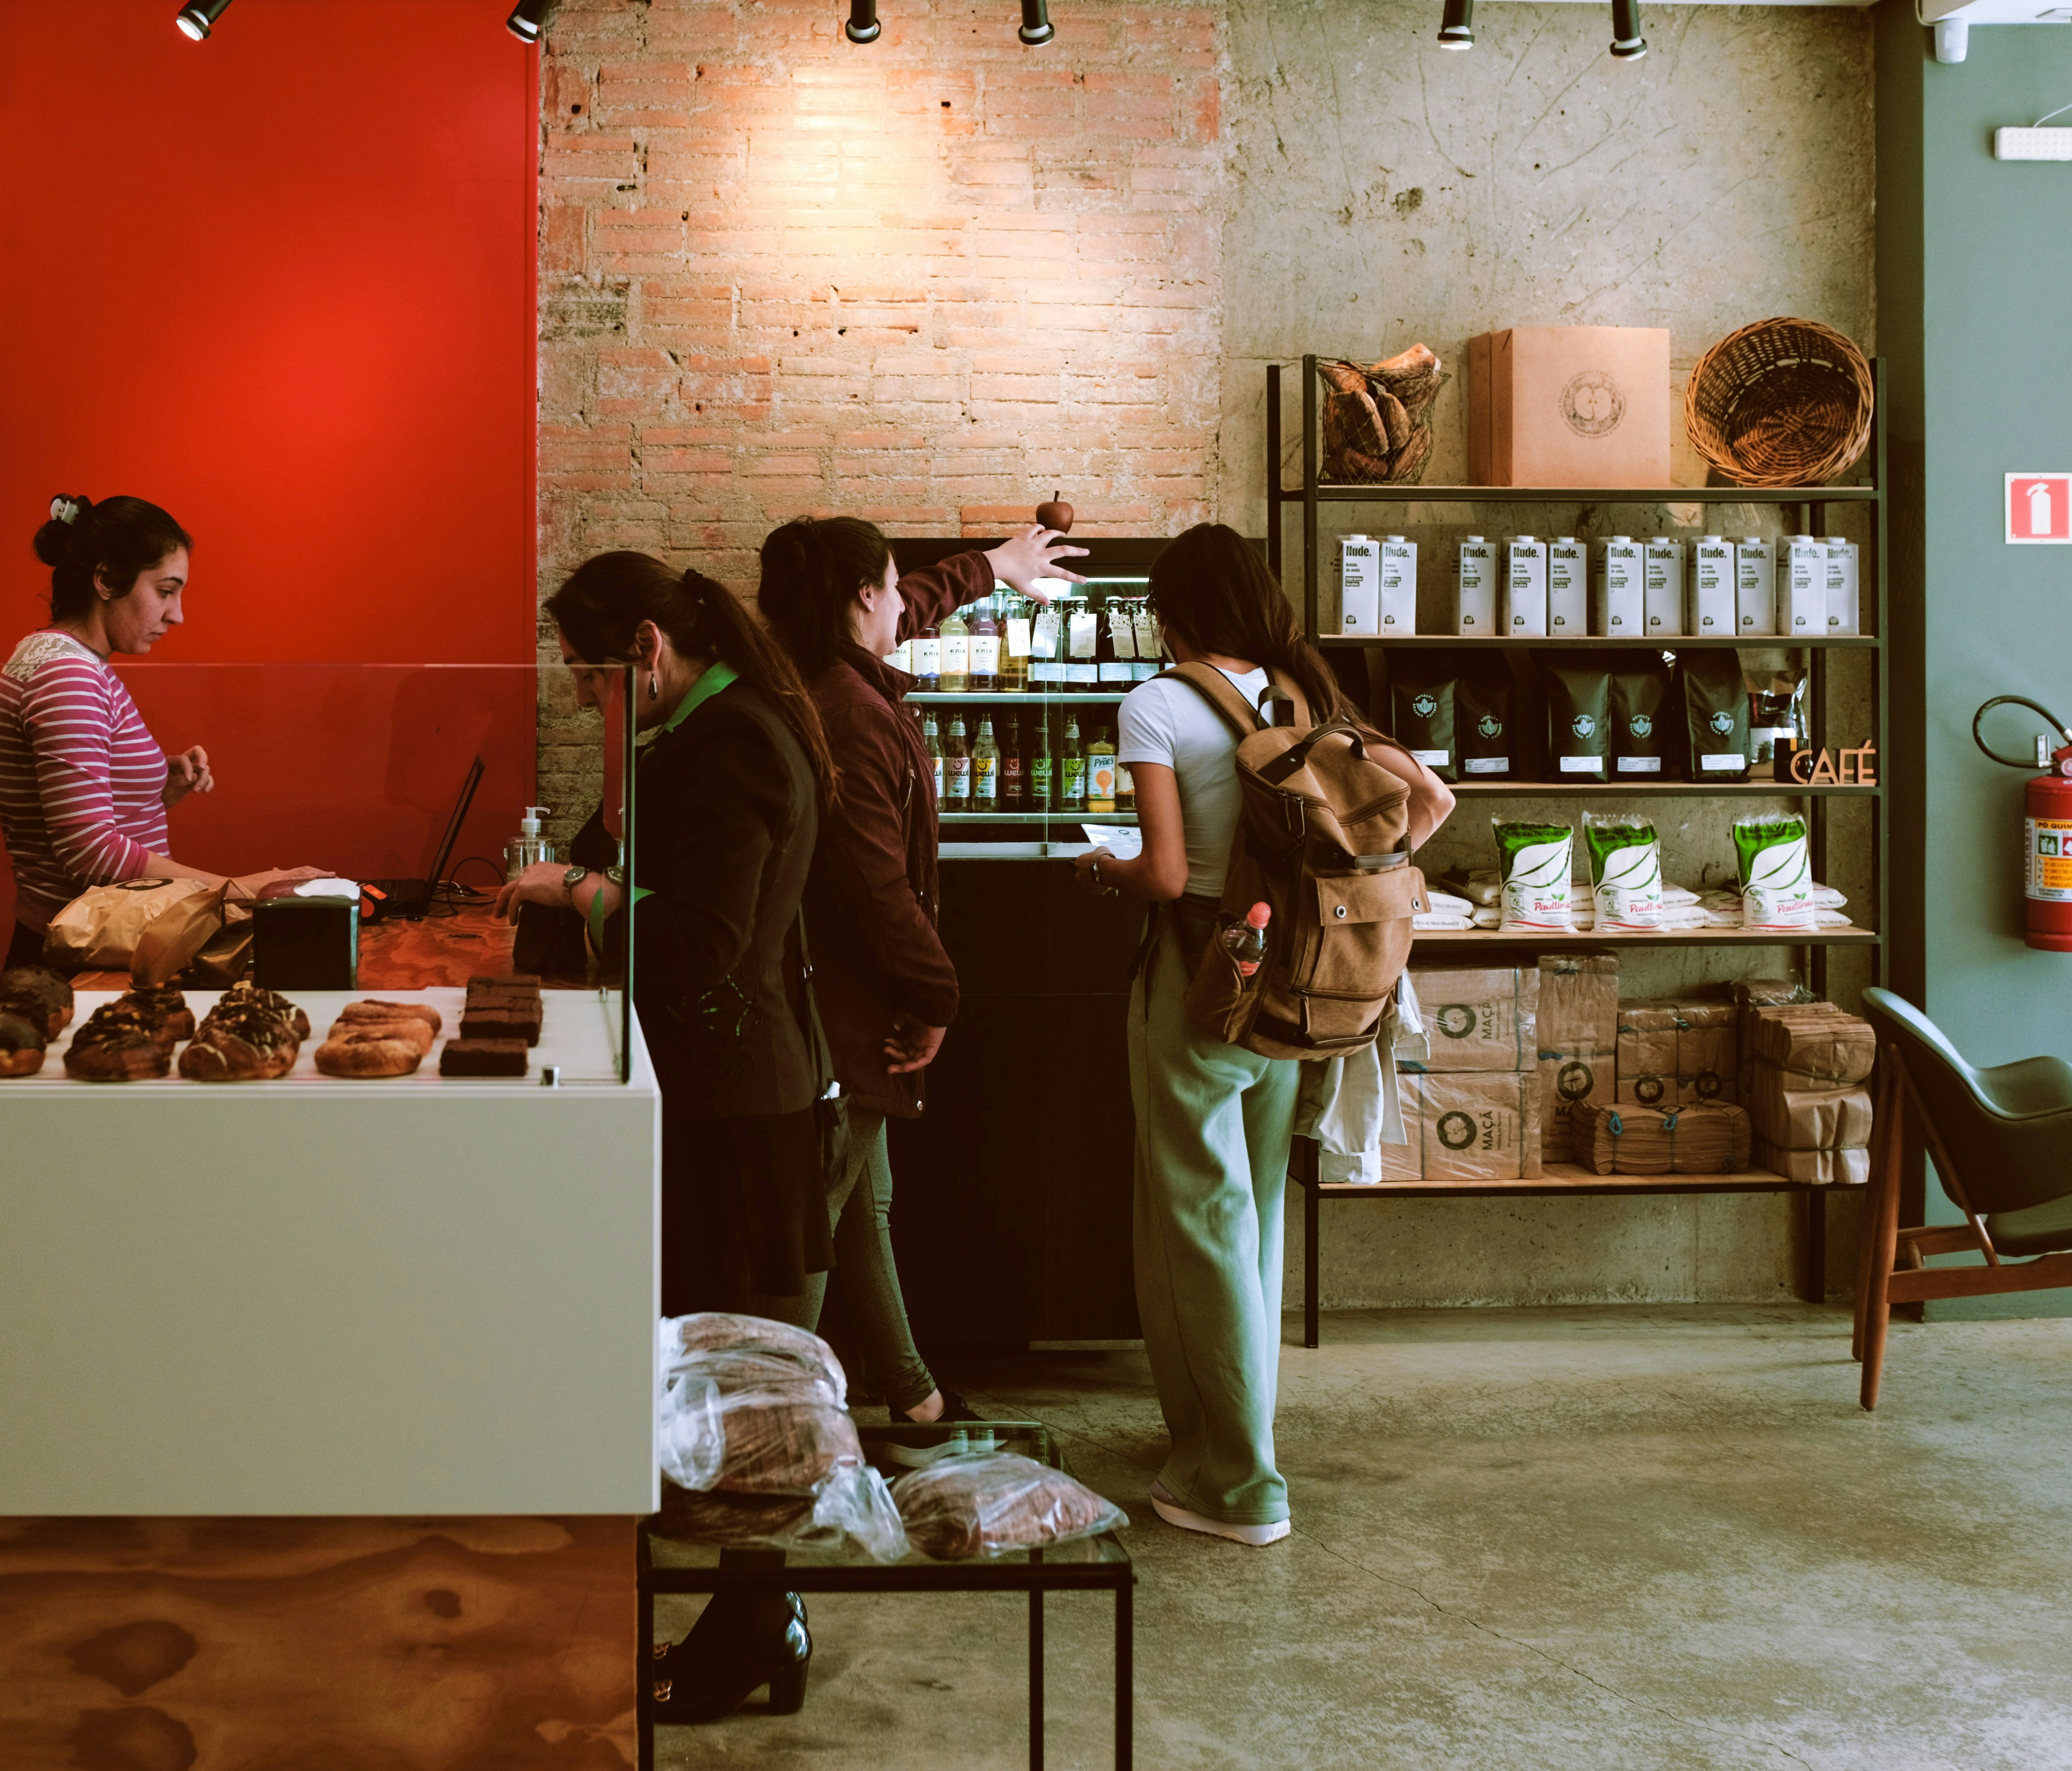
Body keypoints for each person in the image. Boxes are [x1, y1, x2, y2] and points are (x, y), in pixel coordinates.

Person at [496, 550, 837, 1726]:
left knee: (738, 1389)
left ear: (648, 648)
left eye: (594, 680)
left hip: (739, 1104)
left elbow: (697, 945)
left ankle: (759, 1620)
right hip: (726, 1092)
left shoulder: (731, 743)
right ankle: (747, 1615)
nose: (592, 703)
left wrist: (572, 896)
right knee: (717, 1374)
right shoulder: (712, 728)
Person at [1071, 522, 1453, 1547]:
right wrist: (1331, 879)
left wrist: (1096, 867)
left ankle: (1241, 1483)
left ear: (1174, 610)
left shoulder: (1156, 703)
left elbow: (1158, 873)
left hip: (1199, 979)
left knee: (1197, 1223)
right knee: (1256, 1224)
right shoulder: (1305, 694)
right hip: (1296, 985)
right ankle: (1217, 1442)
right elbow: (1433, 800)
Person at [752, 515, 1085, 1426]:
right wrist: (936, 992)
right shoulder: (853, 715)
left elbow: (911, 602)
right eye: (894, 587)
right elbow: (876, 879)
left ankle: (915, 1398)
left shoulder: (817, 673)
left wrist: (992, 569)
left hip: (841, 1001)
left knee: (866, 1201)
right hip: (850, 1006)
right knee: (813, 1223)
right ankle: (768, 1433)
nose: (907, 603)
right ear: (863, 596)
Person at [0, 494, 319, 971]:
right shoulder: (68, 675)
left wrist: (155, 787)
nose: (177, 614)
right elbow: (89, 852)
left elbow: (68, 811)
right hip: (79, 957)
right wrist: (238, 888)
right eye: (165, 590)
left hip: (92, 940)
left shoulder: (63, 660)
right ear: (105, 580)